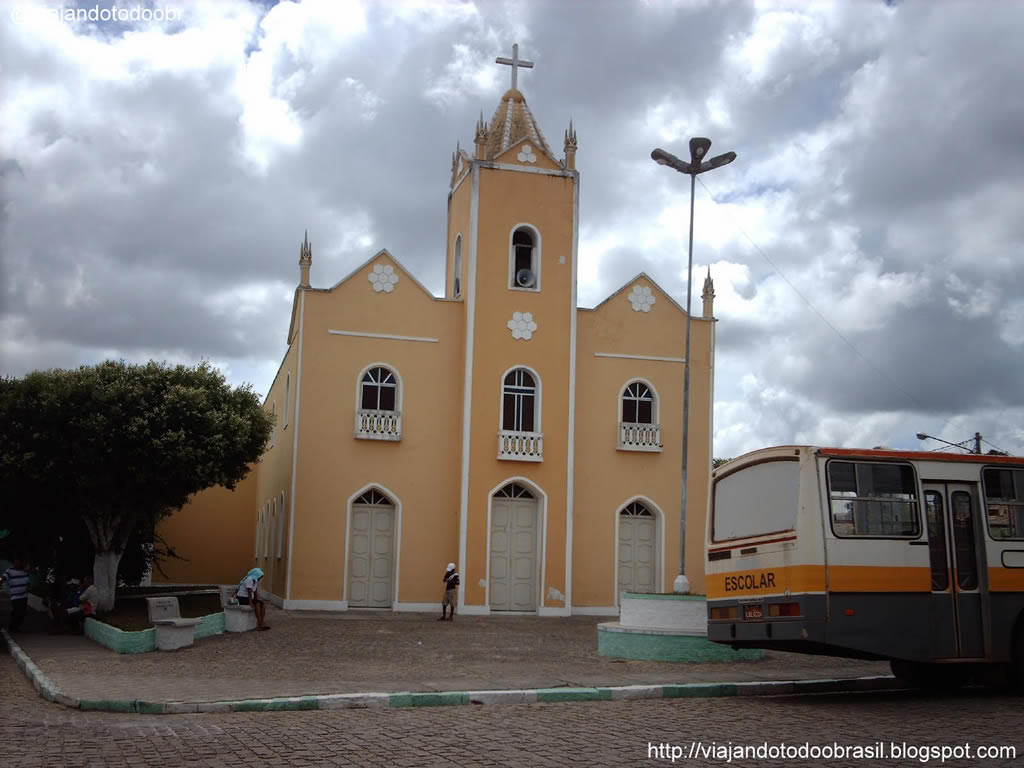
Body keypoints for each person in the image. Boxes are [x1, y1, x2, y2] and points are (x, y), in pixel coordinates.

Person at [2, 557, 31, 632]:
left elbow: (28, 582)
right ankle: (12, 627)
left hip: (24, 595)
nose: (17, 564)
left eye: (19, 562)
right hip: (15, 596)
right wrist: (1, 580)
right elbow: (4, 577)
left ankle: (17, 627)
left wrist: (28, 587)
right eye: (16, 562)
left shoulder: (25, 571)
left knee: (22, 612)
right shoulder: (10, 571)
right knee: (16, 611)